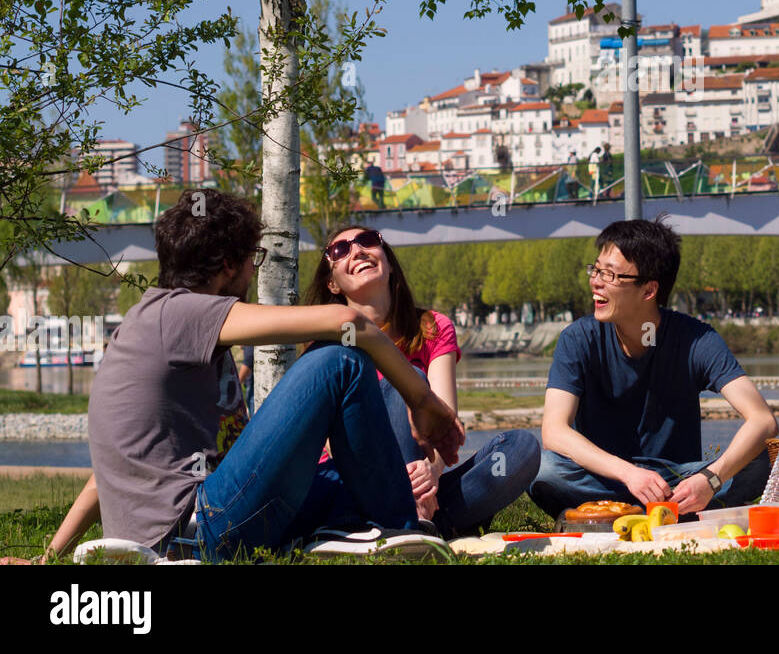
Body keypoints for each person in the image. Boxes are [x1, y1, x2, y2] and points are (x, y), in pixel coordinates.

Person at [29, 190, 464, 563]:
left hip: (218, 516)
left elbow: (106, 473)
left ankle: (390, 521)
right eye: (252, 259)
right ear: (227, 265)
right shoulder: (178, 313)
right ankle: (401, 527)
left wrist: (49, 557)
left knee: (355, 482)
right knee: (340, 360)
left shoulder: (156, 324)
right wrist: (424, 403)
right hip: (196, 531)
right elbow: (348, 321)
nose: (254, 272)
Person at [529, 218, 776, 518]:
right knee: (542, 468)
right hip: (603, 477)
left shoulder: (696, 339)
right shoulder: (578, 338)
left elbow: (762, 420)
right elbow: (554, 431)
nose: (596, 281)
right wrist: (629, 474)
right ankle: (647, 512)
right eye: (596, 269)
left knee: (760, 460)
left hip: (675, 482)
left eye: (611, 274)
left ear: (648, 291)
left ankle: (608, 514)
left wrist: (710, 480)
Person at [304, 224, 540, 538]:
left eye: (367, 241)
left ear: (387, 261)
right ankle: (410, 522)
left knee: (520, 448)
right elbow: (331, 445)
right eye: (340, 249)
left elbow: (444, 421)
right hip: (348, 485)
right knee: (410, 380)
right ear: (332, 283)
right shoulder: (328, 340)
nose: (357, 250)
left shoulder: (431, 327)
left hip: (420, 481)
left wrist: (432, 471)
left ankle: (410, 524)